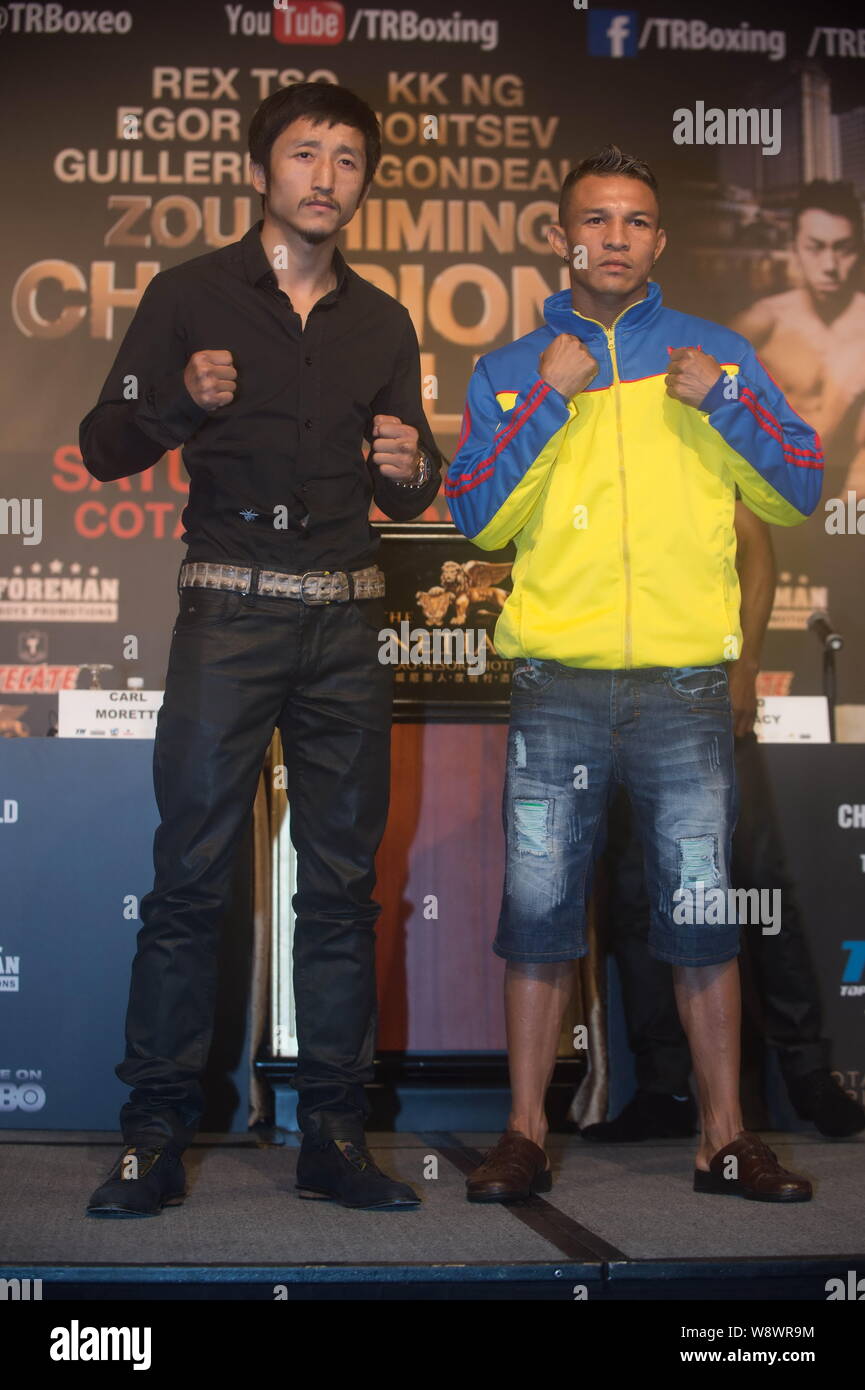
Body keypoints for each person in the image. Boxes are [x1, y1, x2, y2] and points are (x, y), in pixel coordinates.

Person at [79, 82, 442, 1216]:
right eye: (304, 155)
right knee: (189, 879)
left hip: (344, 621)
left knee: (339, 892)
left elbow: (413, 474)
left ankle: (334, 1134)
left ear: (364, 181)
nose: (326, 175)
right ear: (260, 172)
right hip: (228, 618)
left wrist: (410, 469)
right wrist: (178, 403)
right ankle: (152, 1134)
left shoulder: (382, 320)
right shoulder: (190, 296)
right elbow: (100, 447)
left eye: (346, 158)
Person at [445, 144, 823, 1205]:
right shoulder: (514, 369)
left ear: (658, 239)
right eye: (595, 218)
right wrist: (547, 404)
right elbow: (476, 516)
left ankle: (724, 1138)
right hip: (557, 684)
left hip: (683, 693)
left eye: (633, 221)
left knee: (703, 916)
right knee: (538, 915)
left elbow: (798, 487)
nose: (614, 236)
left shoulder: (711, 357)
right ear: (561, 235)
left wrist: (724, 408)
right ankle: (522, 1133)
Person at [585, 502, 865, 1144]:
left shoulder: (695, 410)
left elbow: (755, 543)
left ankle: (808, 1073)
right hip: (611, 694)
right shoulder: (586, 419)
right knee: (634, 893)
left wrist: (746, 666)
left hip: (703, 686)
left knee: (758, 881)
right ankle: (664, 1087)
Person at [730, 181, 865, 501]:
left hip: (848, 500)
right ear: (794, 248)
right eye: (815, 247)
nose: (830, 266)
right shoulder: (766, 319)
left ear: (858, 249)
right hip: (773, 493)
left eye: (843, 248)